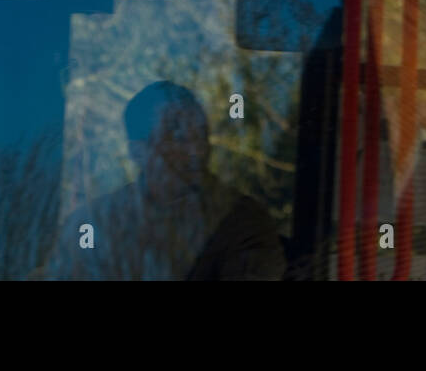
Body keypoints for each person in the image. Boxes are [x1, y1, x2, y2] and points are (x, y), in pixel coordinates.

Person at [43, 81, 286, 280]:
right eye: (178, 137)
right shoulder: (96, 222)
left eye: (201, 135)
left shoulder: (241, 221)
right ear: (138, 152)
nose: (196, 150)